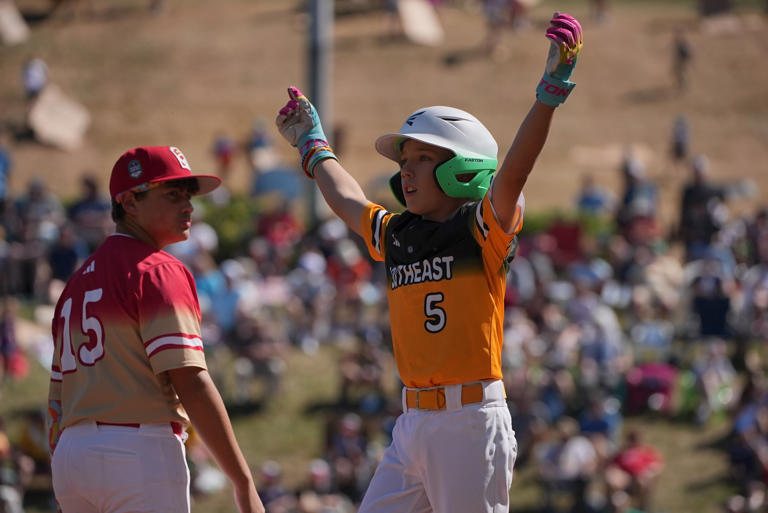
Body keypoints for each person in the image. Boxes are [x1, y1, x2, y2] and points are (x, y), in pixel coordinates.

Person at [275, 12, 583, 513]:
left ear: (463, 168)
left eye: (421, 158)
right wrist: (314, 146)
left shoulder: (479, 229)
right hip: (412, 421)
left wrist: (549, 93)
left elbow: (514, 173)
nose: (406, 171)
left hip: (469, 420)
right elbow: (348, 198)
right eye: (404, 162)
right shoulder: (399, 233)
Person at [46, 146, 264, 513]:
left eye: (188, 196)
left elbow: (56, 398)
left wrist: (71, 459)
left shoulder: (76, 284)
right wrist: (243, 483)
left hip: (72, 456)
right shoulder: (158, 269)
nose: (188, 206)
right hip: (137, 451)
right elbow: (191, 383)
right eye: (172, 194)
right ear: (130, 202)